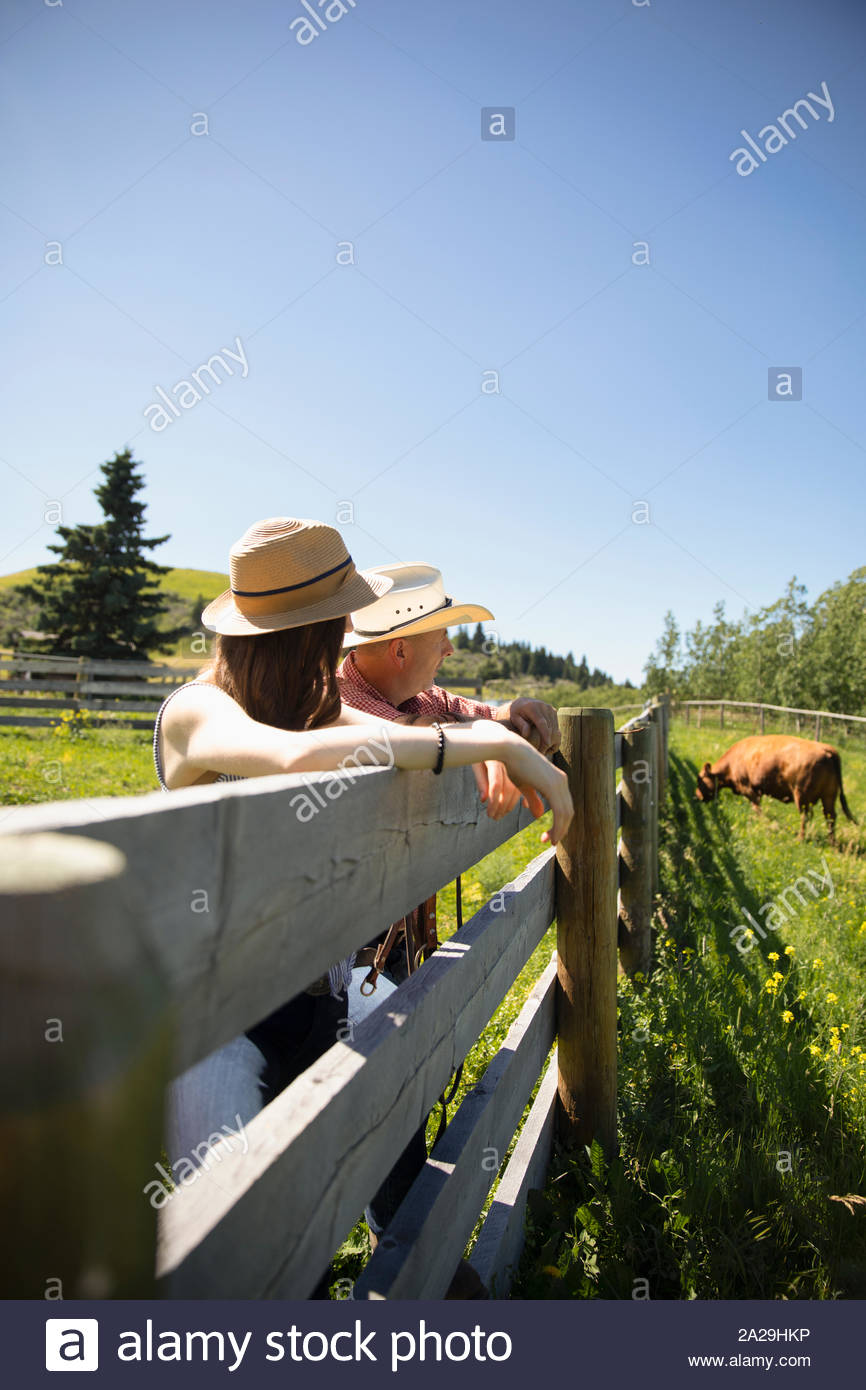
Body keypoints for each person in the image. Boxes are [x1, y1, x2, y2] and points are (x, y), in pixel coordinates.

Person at [152, 517, 572, 1298]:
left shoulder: (303, 703)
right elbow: (293, 756)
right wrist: (497, 748)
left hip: (307, 998)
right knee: (247, 1261)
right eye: (334, 623)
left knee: (340, 1183)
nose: (348, 634)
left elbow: (392, 728)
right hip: (214, 1022)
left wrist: (495, 730)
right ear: (301, 632)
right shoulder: (198, 709)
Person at [339, 561, 562, 1295]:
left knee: (385, 1084)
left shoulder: (407, 688)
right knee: (371, 1090)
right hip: (338, 954)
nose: (450, 652)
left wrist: (506, 714)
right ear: (400, 645)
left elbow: (446, 705)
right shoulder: (341, 696)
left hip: (381, 943)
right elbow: (392, 735)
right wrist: (486, 742)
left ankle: (400, 1250)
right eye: (442, 637)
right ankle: (410, 1267)